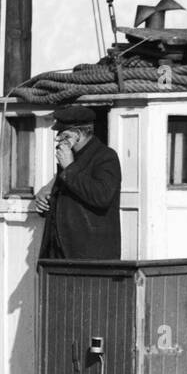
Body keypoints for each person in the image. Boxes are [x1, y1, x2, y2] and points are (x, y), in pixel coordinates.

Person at [35, 104, 121, 260]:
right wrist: (44, 200)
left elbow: (101, 197)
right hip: (58, 254)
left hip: (88, 256)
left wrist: (69, 168)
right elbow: (68, 201)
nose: (58, 139)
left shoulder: (106, 157)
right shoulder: (71, 159)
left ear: (78, 134)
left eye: (63, 134)